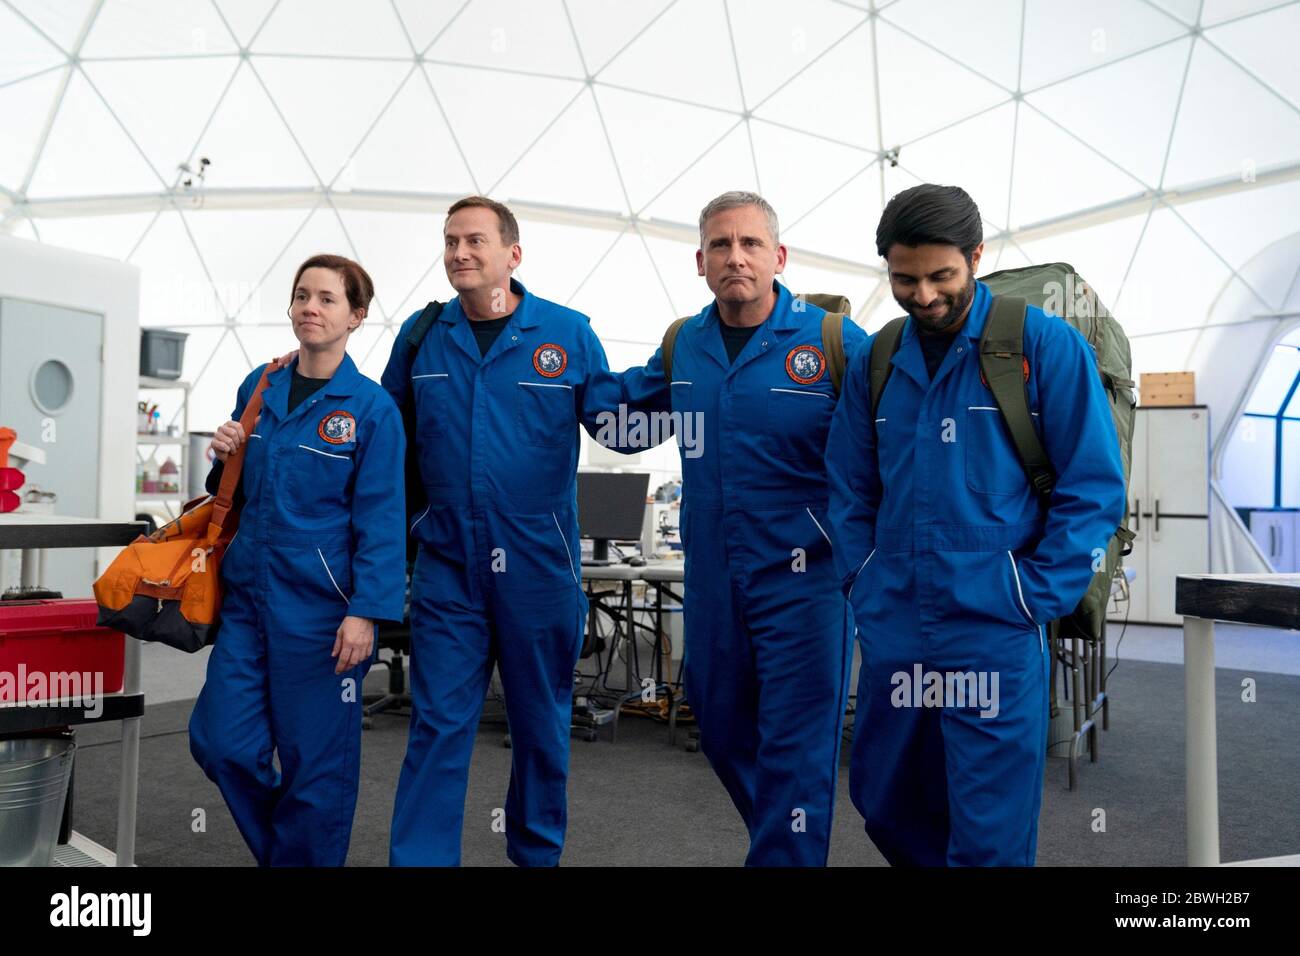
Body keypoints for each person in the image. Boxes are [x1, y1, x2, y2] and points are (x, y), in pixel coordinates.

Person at [826, 184, 1126, 865]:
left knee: (990, 828)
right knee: (887, 801)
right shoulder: (878, 359)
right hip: (897, 618)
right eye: (905, 279)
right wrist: (865, 580)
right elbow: (847, 487)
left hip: (994, 622)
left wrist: (1032, 594)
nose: (924, 295)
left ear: (976, 257)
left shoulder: (1040, 348)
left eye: (942, 277)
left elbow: (1094, 488)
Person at [614, 191, 867, 866]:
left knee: (796, 746)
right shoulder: (684, 346)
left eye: (750, 244)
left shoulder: (832, 342)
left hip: (805, 582)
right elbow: (615, 414)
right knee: (721, 728)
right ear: (701, 262)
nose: (736, 257)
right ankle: (788, 841)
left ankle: (785, 853)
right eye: (721, 246)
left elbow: (897, 436)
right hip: (713, 577)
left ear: (778, 256)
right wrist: (551, 365)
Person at [383, 196, 618, 867]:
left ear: (512, 255)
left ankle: (535, 855)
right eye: (451, 240)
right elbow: (380, 427)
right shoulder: (423, 335)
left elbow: (616, 424)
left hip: (539, 568)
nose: (460, 252)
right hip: (449, 566)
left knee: (541, 725)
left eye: (475, 241)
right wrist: (303, 373)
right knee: (436, 726)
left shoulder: (567, 334)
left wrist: (684, 388)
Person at [188, 254, 406, 866]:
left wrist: (366, 612)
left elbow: (382, 520)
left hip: (322, 616)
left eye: (328, 299)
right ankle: (290, 856)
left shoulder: (371, 410)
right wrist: (224, 451)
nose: (310, 307)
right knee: (220, 742)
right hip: (248, 601)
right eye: (302, 296)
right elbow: (234, 488)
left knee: (317, 767)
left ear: (357, 317)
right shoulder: (261, 385)